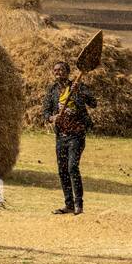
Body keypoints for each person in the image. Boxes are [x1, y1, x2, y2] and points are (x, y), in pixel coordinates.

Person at [42, 60, 95, 215]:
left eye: (61, 70)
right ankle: (69, 205)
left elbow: (94, 103)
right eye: (55, 70)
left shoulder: (77, 86)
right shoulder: (52, 90)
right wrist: (52, 118)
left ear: (67, 72)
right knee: (62, 170)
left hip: (77, 135)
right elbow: (45, 112)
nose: (57, 72)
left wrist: (79, 91)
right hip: (61, 136)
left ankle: (79, 205)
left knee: (72, 167)